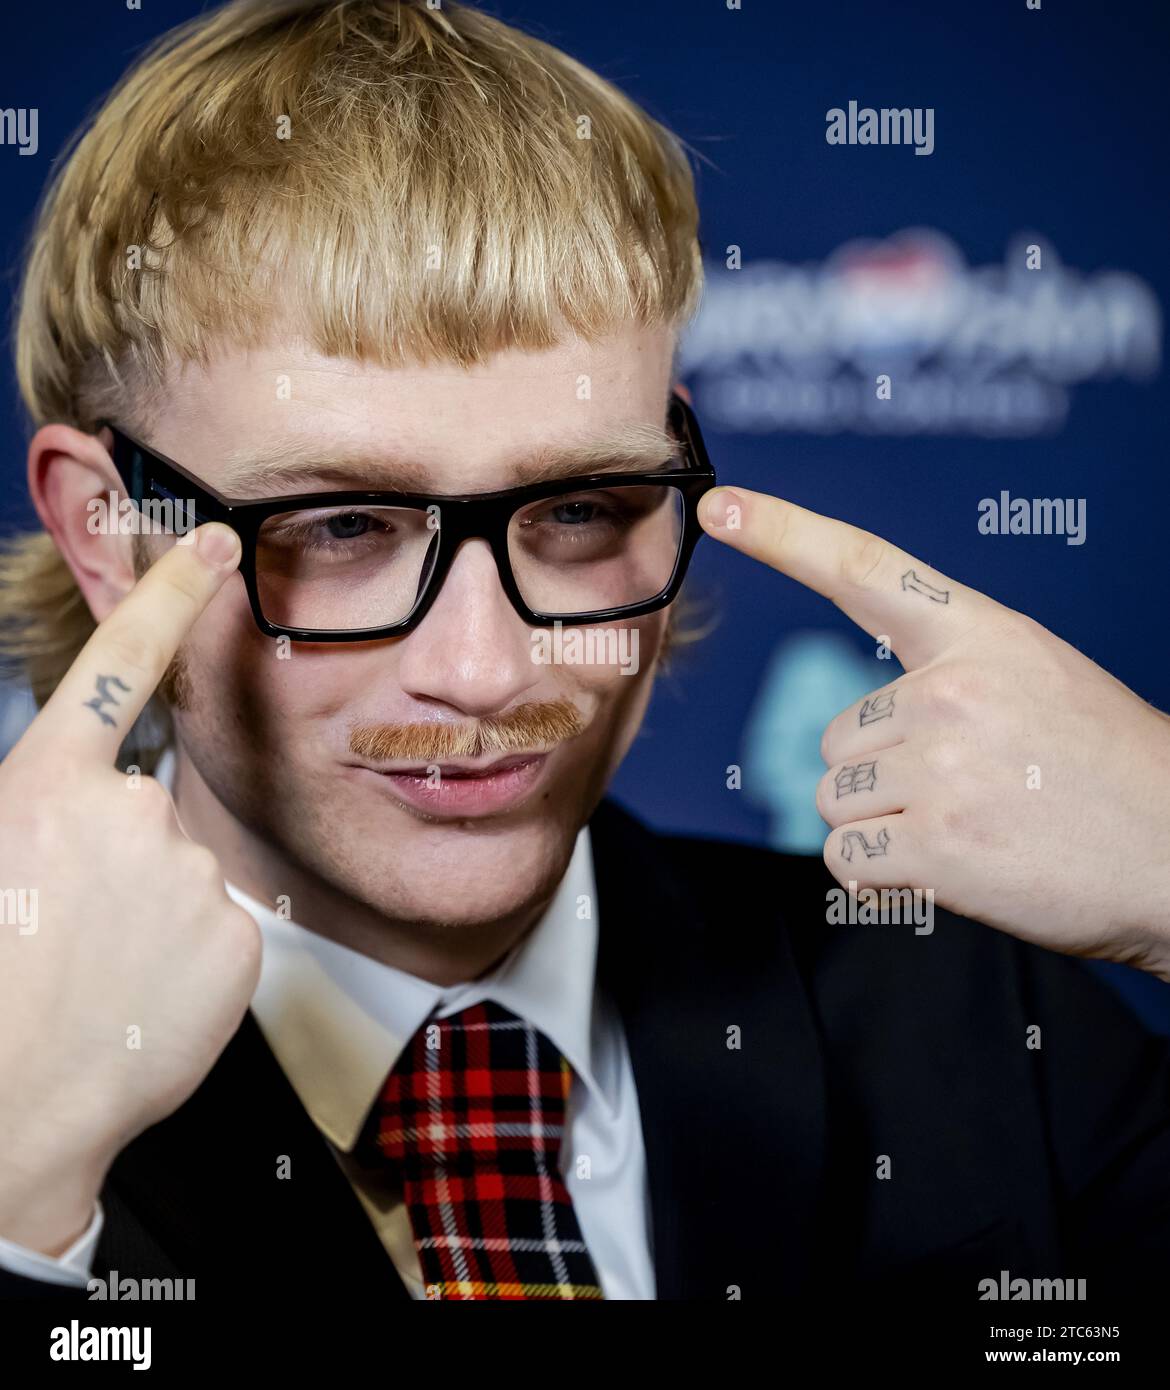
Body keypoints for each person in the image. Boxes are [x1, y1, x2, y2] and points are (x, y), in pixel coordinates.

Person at [0, 0, 1167, 1325]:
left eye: (575, 512)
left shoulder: (958, 1008)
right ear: (107, 531)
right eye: (339, 528)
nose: (487, 672)